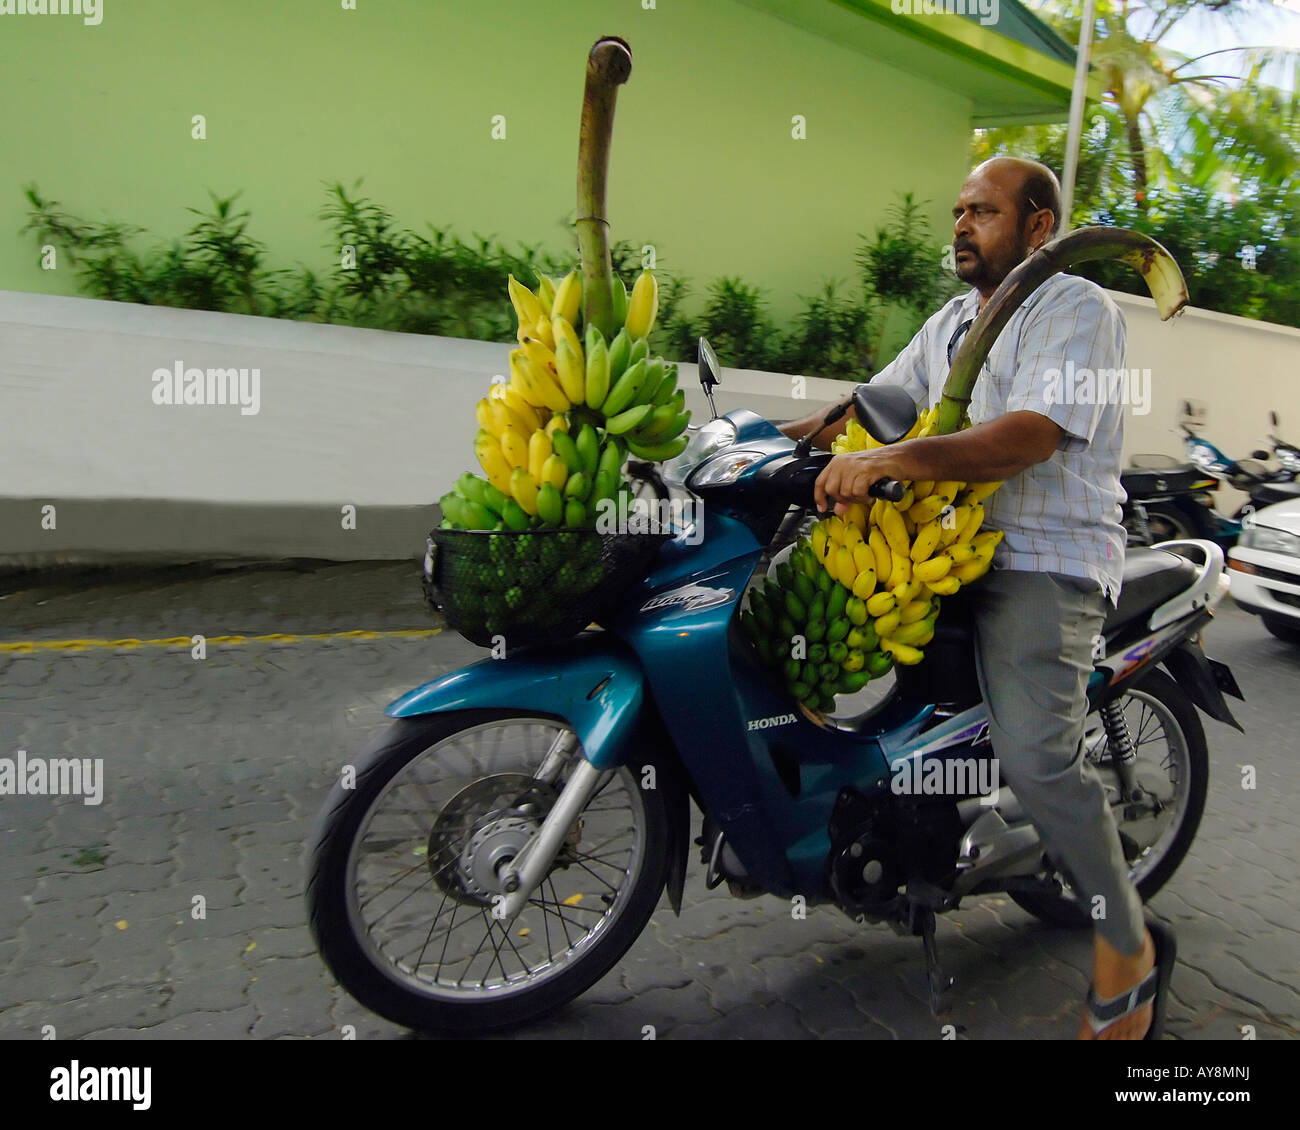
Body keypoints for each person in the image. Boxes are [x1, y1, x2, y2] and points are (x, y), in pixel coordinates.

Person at [779, 157, 1163, 1040]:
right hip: (945, 547)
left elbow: (1033, 433)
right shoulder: (952, 320)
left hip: (1043, 560)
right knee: (804, 629)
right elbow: (874, 408)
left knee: (1039, 757)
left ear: (1037, 227)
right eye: (955, 210)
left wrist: (893, 460)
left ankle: (1125, 940)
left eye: (981, 211)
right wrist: (766, 438)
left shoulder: (1078, 311)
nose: (959, 224)